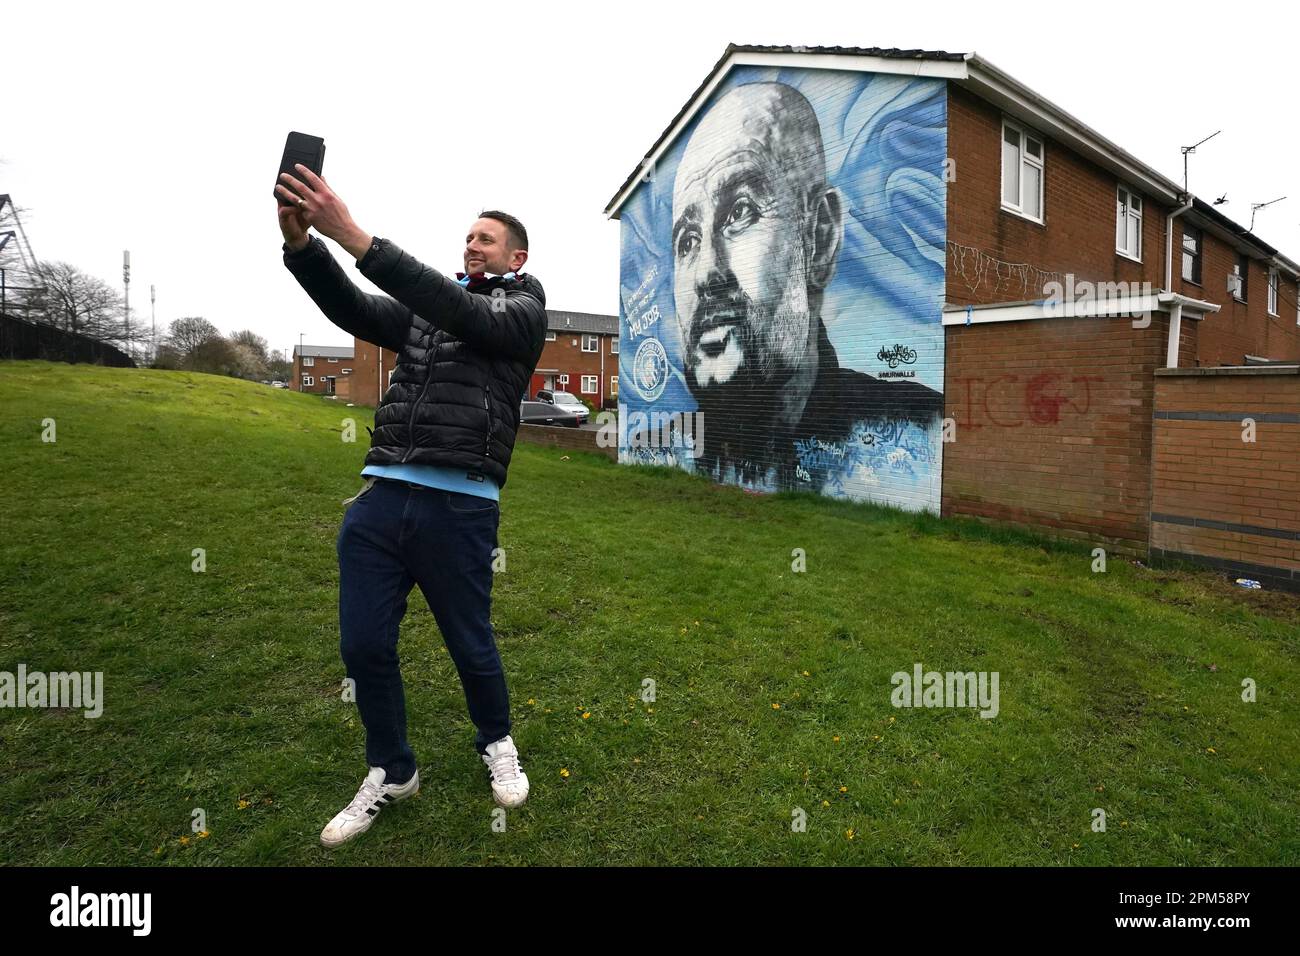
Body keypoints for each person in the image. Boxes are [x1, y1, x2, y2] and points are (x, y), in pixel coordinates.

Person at [275, 165, 546, 847]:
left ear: (516, 257)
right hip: (381, 495)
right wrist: (305, 246)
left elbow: (460, 310)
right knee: (363, 644)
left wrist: (357, 237)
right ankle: (392, 769)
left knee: (471, 645)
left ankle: (496, 741)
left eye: (485, 239)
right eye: (467, 237)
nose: (471, 245)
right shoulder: (431, 314)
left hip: (459, 508)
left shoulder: (520, 310)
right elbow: (356, 311)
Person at [668, 82, 943, 490]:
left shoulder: (917, 430)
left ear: (820, 237)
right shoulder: (664, 444)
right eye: (687, 241)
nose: (708, 271)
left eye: (740, 212)